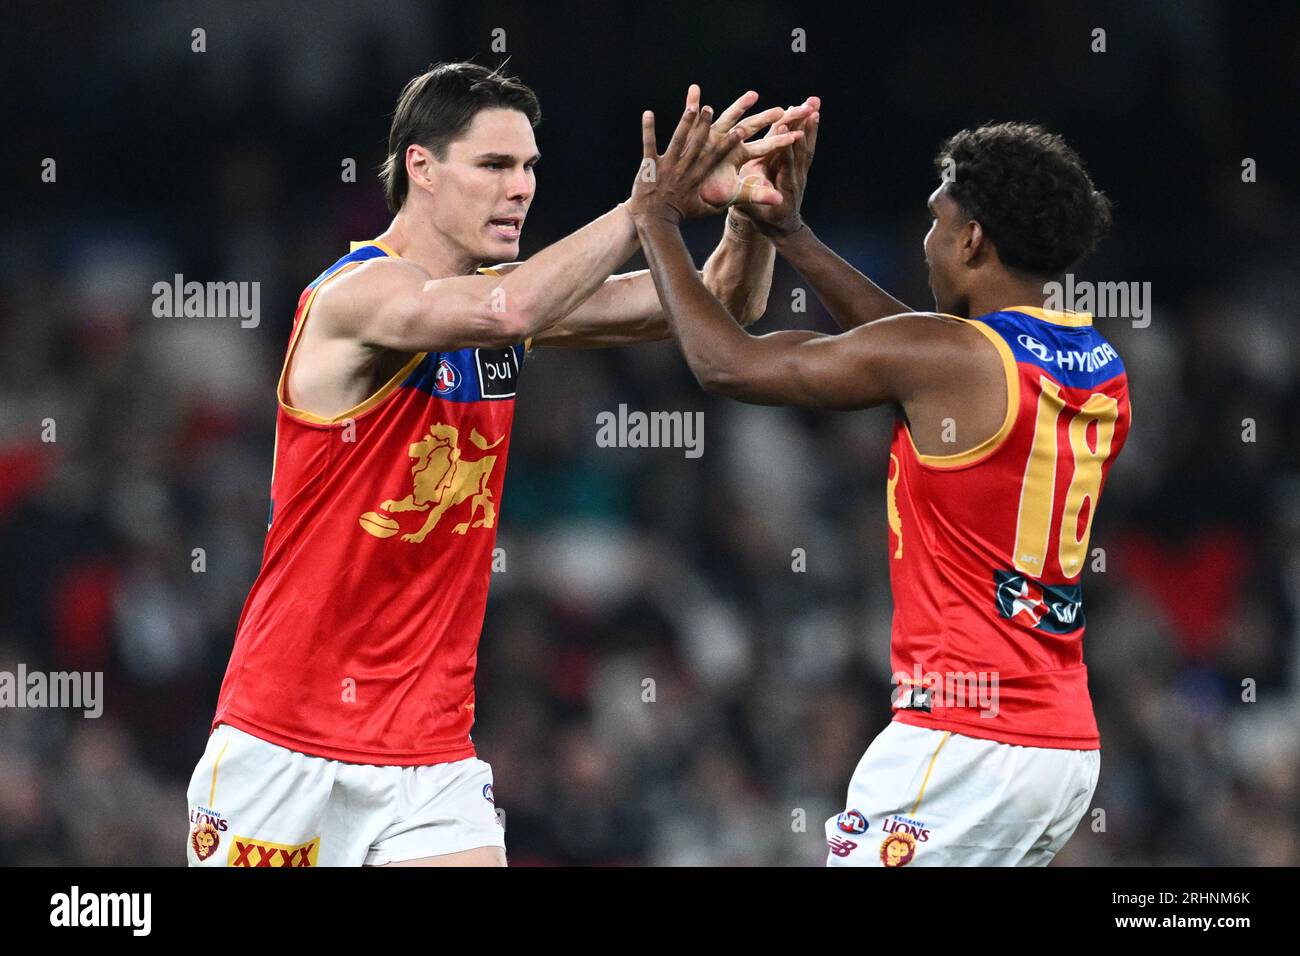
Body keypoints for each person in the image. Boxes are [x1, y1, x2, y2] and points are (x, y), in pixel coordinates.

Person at [186, 61, 809, 867]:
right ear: (421, 167)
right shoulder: (352, 298)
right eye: (494, 166)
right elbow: (503, 310)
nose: (520, 188)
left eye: (530, 168)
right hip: (286, 739)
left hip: (431, 752)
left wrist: (751, 213)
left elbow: (720, 306)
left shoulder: (510, 300)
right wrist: (644, 210)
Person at [625, 103, 1129, 866]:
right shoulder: (1096, 366)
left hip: (962, 742)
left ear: (972, 238)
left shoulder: (947, 361)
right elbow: (913, 352)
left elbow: (727, 363)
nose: (923, 242)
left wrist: (656, 220)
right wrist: (791, 235)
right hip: (1059, 746)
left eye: (935, 220)